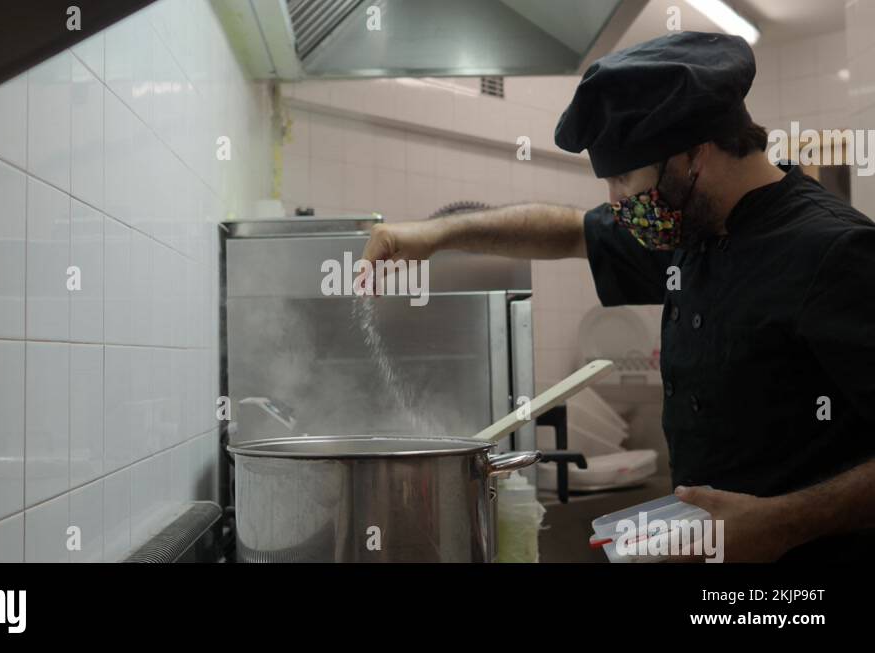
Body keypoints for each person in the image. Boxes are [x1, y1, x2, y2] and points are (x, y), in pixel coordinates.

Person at [361, 32, 875, 562]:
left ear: (695, 154)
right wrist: (435, 236)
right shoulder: (691, 229)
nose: (617, 202)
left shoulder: (834, 251)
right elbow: (566, 233)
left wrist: (783, 524)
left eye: (625, 178)